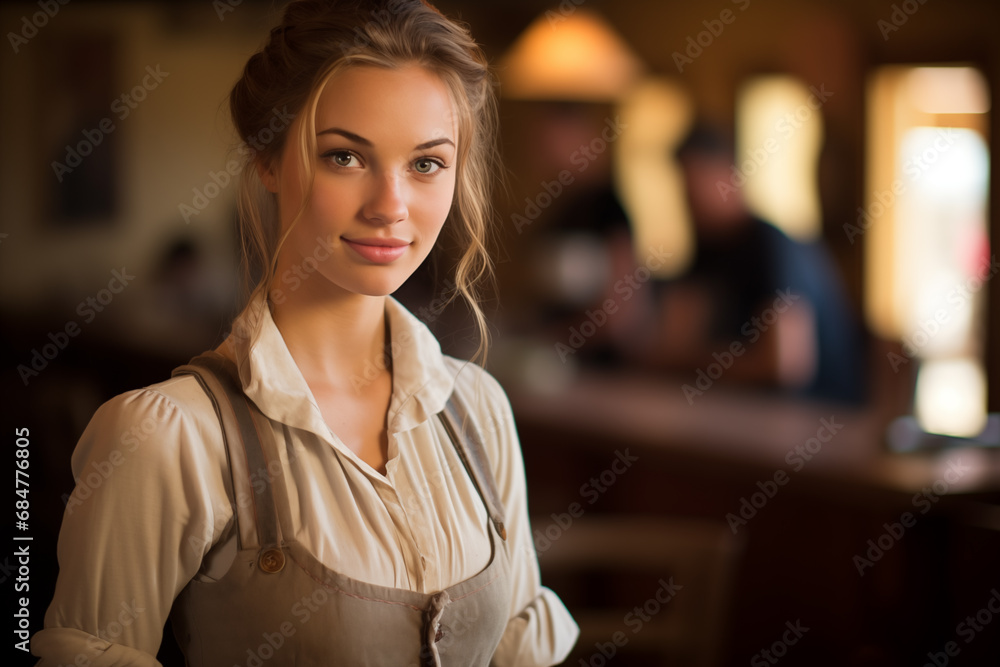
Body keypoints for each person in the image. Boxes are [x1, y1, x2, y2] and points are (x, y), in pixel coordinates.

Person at [31, 1, 579, 665]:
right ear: (267, 157)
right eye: (345, 156)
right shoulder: (167, 437)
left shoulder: (480, 414)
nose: (390, 206)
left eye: (426, 163)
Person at [638, 122, 866, 404]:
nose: (688, 200)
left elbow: (785, 366)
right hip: (744, 415)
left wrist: (690, 362)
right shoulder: (708, 247)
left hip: (815, 420)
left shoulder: (772, 247)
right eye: (684, 189)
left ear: (729, 176)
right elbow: (672, 343)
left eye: (695, 185)